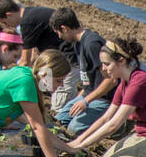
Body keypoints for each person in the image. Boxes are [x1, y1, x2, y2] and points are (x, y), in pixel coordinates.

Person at [48, 8, 116, 136]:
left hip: (105, 100)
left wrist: (86, 101)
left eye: (58, 32)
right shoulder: (77, 44)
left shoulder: (92, 44)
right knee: (58, 120)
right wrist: (78, 99)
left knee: (74, 130)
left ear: (64, 28)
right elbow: (88, 83)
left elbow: (111, 80)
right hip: (89, 96)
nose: (59, 37)